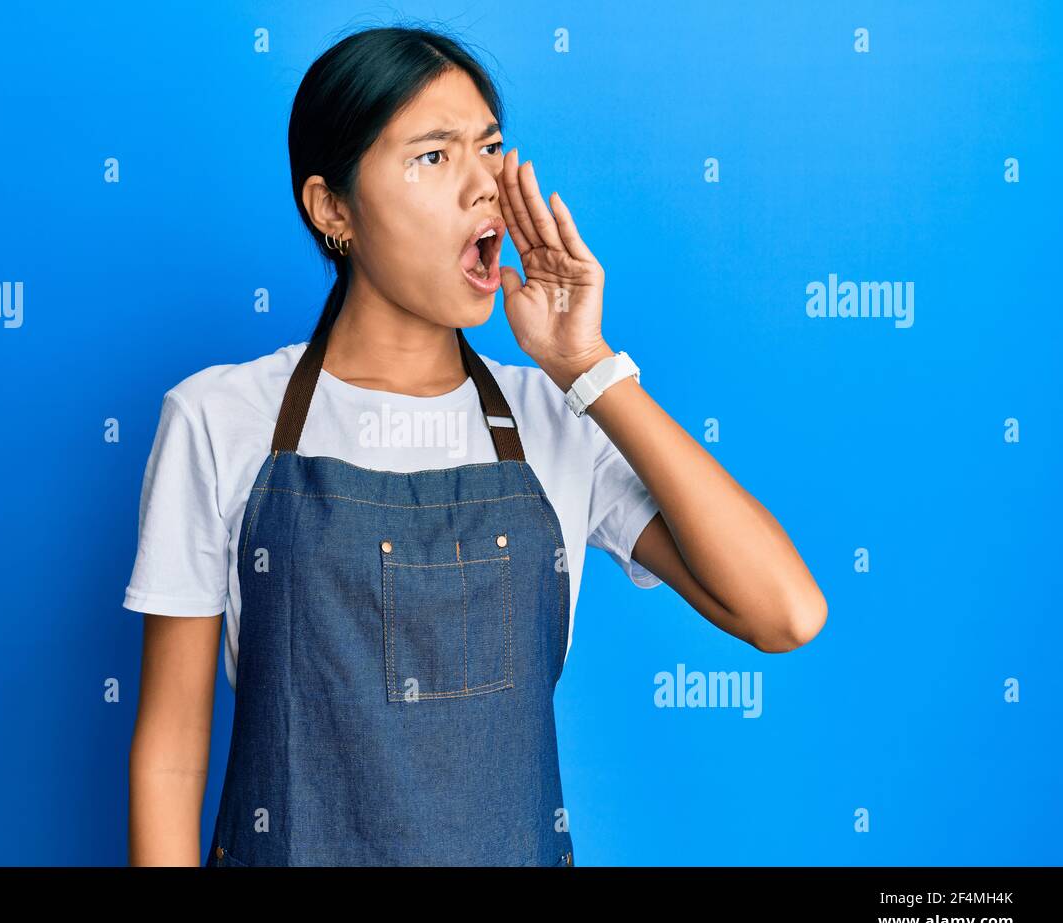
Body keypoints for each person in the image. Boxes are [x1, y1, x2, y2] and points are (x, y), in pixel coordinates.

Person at [124, 25, 827, 867]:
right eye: (433, 156)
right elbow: (170, 751)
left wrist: (590, 368)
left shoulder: (560, 417)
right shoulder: (218, 418)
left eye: (490, 147)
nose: (483, 187)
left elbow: (784, 612)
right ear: (332, 209)